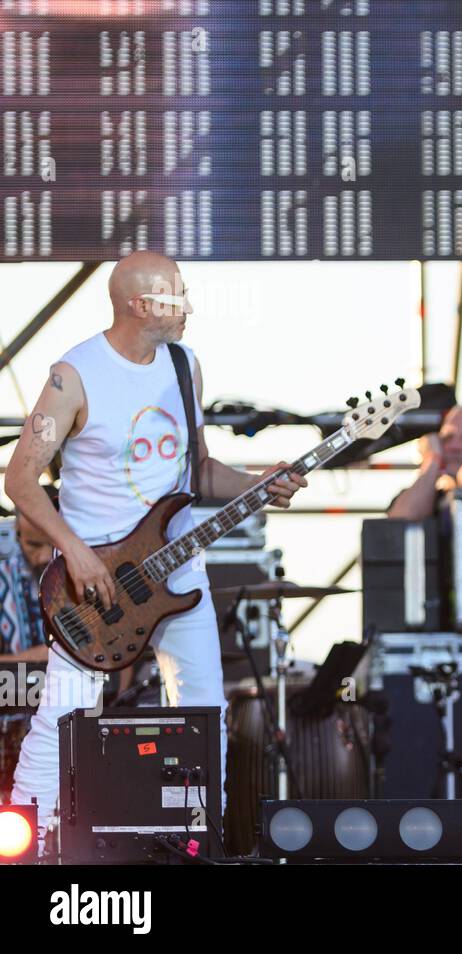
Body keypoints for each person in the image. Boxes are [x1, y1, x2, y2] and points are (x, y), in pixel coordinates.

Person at [4, 250, 306, 842]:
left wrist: (259, 486)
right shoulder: (74, 375)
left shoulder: (183, 365)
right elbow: (19, 480)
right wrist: (78, 552)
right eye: (175, 298)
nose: (187, 308)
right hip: (98, 583)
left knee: (203, 711)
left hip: (177, 571)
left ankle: (198, 837)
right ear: (140, 307)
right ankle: (29, 841)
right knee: (65, 712)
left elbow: (198, 471)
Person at [0, 486, 58, 664]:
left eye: (54, 543)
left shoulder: (87, 577)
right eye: (33, 544)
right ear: (17, 532)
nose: (45, 557)